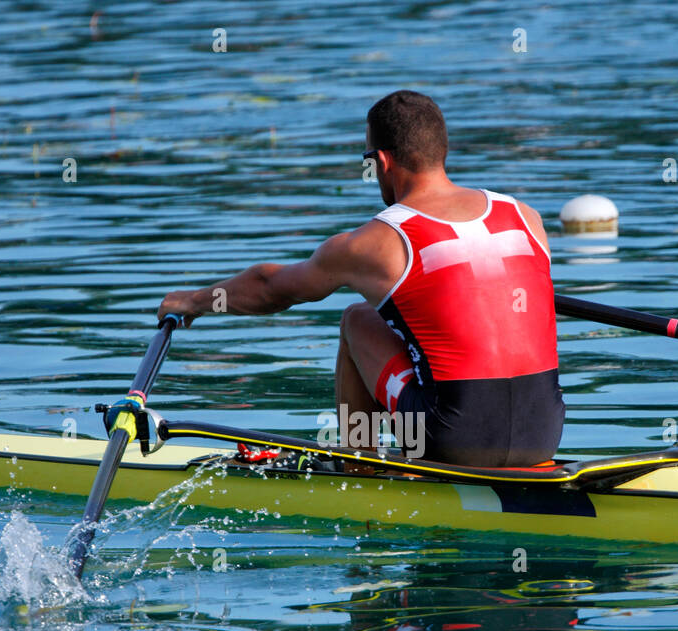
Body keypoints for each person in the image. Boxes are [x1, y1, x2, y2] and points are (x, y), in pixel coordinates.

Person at [157, 89, 564, 467]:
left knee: (357, 319)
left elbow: (270, 289)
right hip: (543, 435)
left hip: (454, 440)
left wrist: (193, 301)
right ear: (441, 151)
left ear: (382, 162)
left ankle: (357, 460)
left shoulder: (377, 241)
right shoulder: (526, 217)